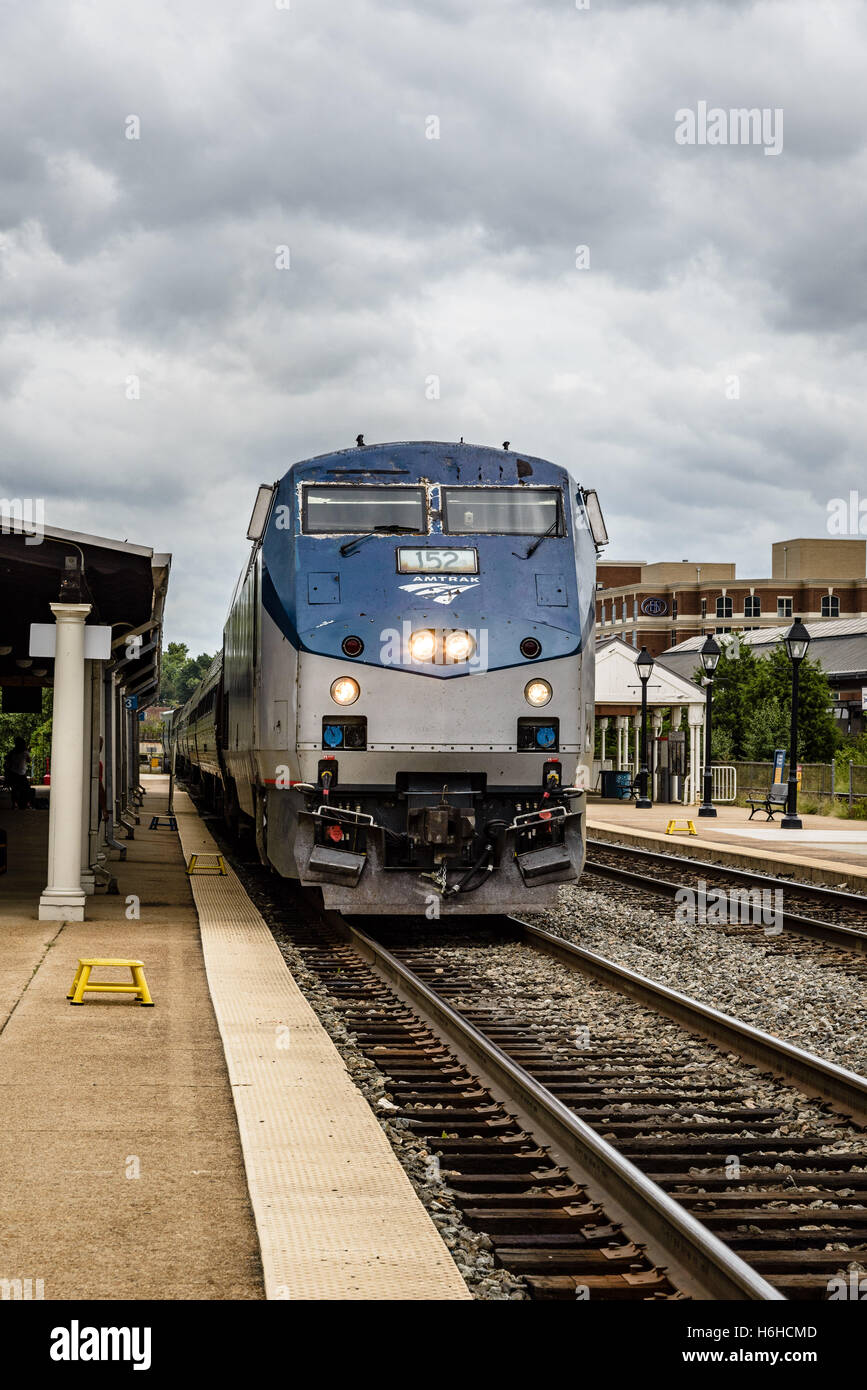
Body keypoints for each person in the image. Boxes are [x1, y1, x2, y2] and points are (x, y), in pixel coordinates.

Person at [4, 737, 34, 809]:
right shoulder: (24, 752)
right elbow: (29, 761)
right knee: (25, 789)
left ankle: (16, 804)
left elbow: (6, 759)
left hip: (15, 773)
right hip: (20, 773)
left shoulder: (13, 752)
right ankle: (25, 803)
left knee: (16, 789)